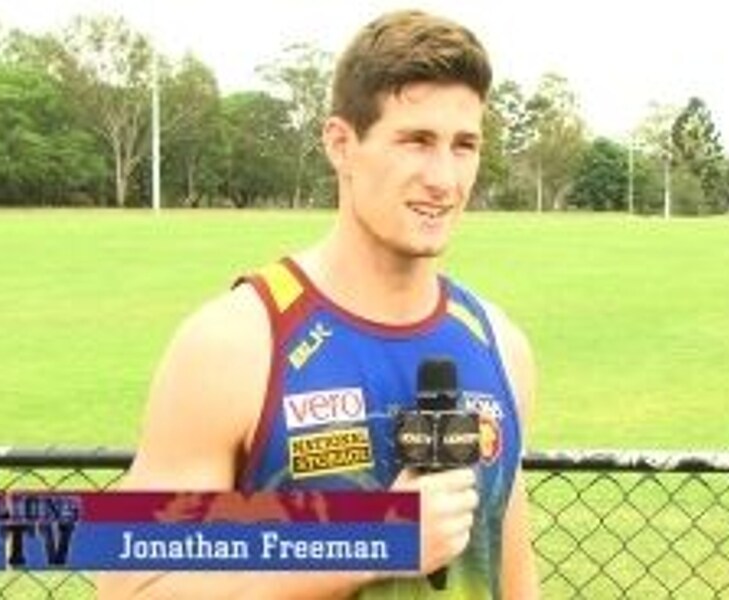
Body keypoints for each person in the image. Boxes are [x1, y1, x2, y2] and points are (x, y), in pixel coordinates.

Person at [98, 9, 539, 599]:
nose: (444, 178)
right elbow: (133, 587)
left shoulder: (500, 345)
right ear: (340, 144)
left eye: (464, 146)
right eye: (415, 141)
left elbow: (514, 579)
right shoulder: (236, 344)